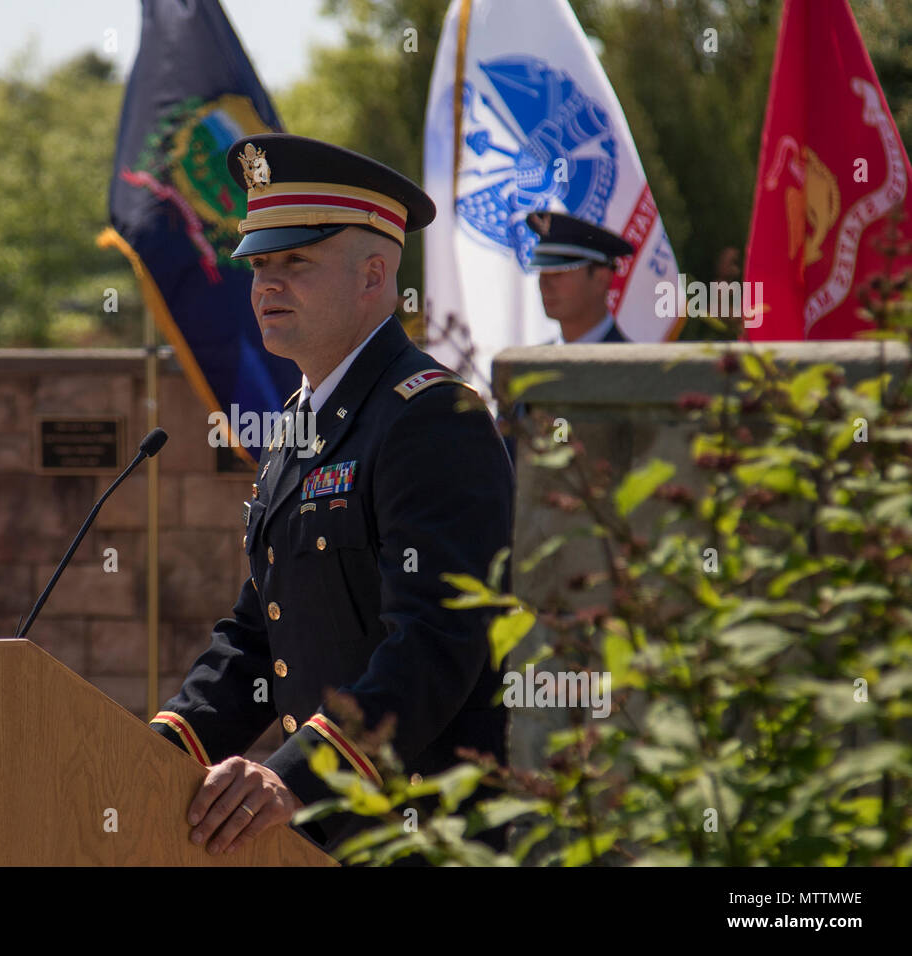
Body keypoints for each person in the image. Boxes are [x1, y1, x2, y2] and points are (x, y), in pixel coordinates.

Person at [148, 133, 515, 860]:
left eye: (296, 261)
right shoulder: (304, 421)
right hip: (323, 837)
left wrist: (295, 779)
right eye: (259, 265)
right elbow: (259, 631)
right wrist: (162, 747)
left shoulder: (434, 418)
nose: (266, 284)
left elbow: (438, 640)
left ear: (373, 274)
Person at [526, 211, 635, 343]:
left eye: (558, 272)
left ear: (601, 278)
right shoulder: (531, 362)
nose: (545, 284)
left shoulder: (632, 362)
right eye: (543, 272)